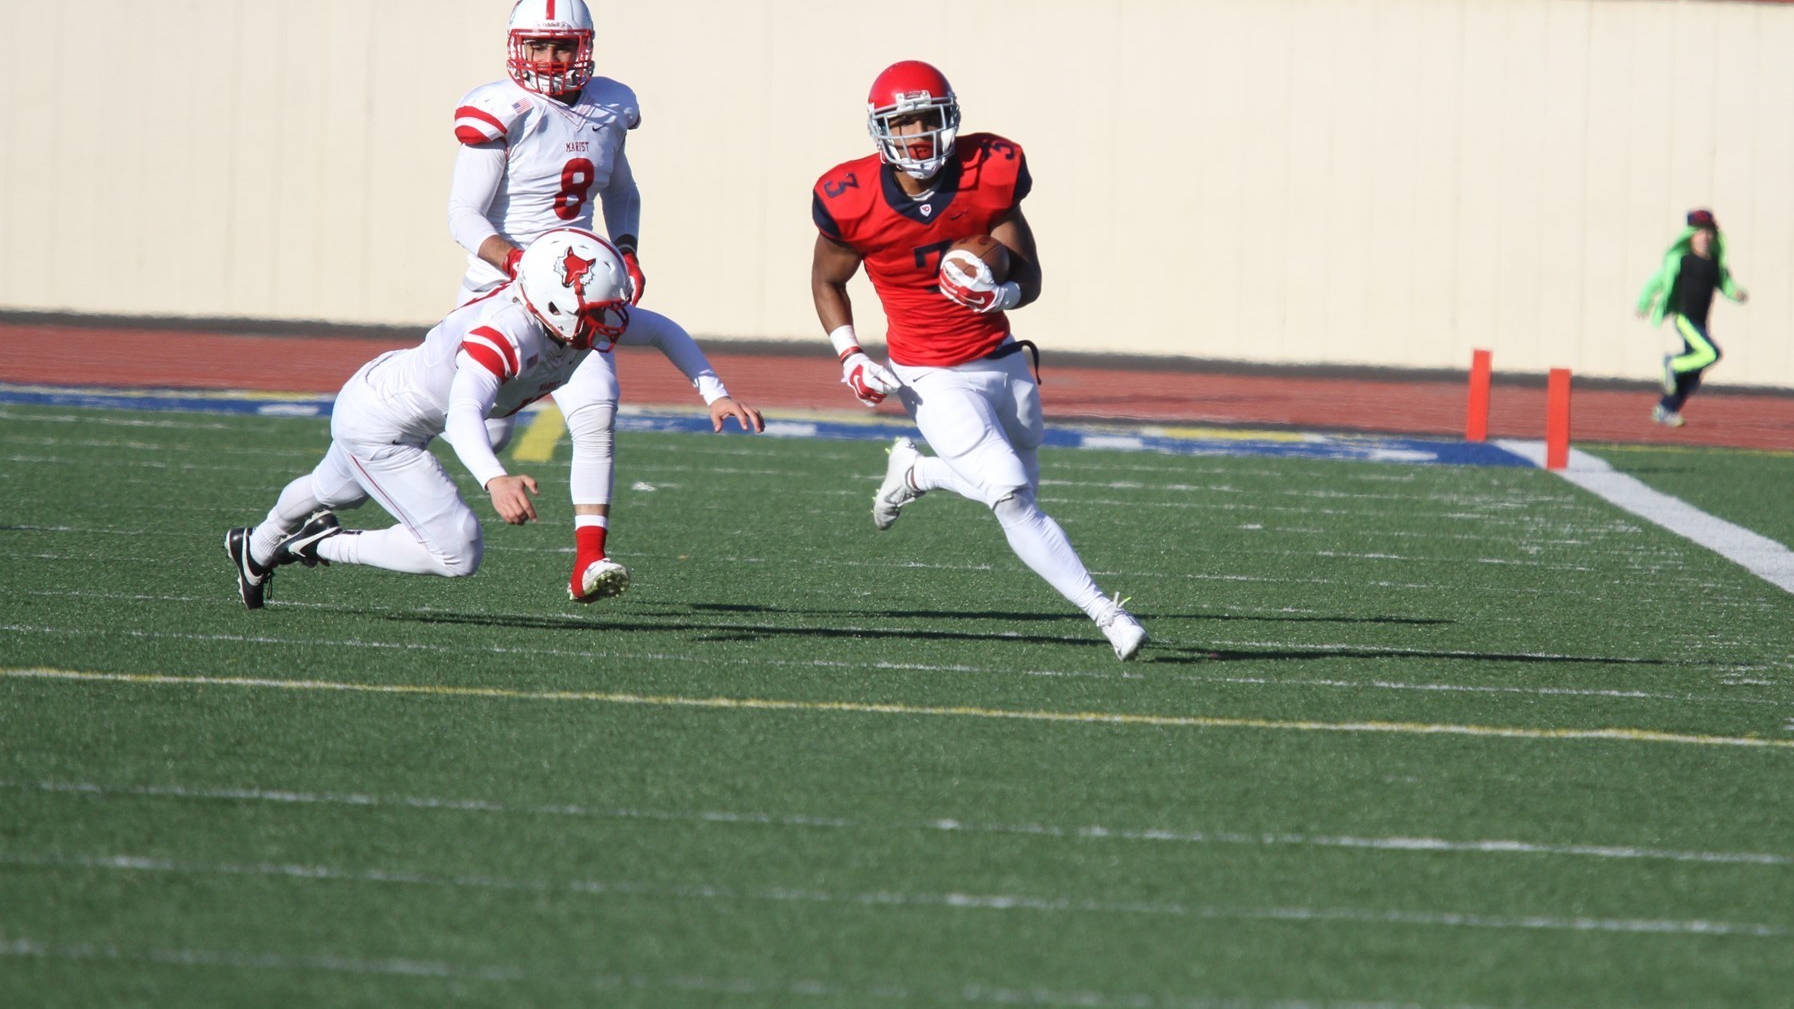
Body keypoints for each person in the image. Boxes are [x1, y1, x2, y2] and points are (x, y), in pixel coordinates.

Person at [223, 228, 762, 610]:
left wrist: (713, 393)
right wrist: (494, 478)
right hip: (381, 425)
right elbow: (462, 415)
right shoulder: (506, 334)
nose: (613, 321)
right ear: (554, 307)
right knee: (457, 550)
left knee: (331, 489)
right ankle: (316, 545)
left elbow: (663, 329)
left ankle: (258, 546)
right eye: (599, 312)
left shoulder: (561, 311)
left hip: (381, 396)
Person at [807, 59, 1147, 660]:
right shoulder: (849, 197)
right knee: (1011, 493)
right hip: (928, 371)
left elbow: (1031, 278)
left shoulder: (990, 170)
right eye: (903, 123)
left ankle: (916, 473)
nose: (916, 135)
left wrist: (1001, 292)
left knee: (1018, 489)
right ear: (881, 130)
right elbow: (828, 280)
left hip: (1000, 358)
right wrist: (850, 355)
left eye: (927, 120)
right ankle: (1107, 614)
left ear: (951, 118)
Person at [446, 0, 651, 603]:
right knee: (478, 423)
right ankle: (372, 480)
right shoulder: (501, 110)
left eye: (564, 48)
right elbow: (463, 215)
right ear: (518, 47)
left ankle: (589, 562)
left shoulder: (610, 107)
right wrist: (516, 262)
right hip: (500, 291)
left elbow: (622, 190)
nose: (552, 60)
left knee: (598, 407)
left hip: (577, 291)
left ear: (584, 49)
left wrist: (628, 248)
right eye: (540, 46)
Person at [1635, 208, 1747, 427]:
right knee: (1711, 353)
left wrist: (1737, 293)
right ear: (1690, 235)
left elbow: (1727, 285)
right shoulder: (1682, 260)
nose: (1705, 237)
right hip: (1685, 319)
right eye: (1700, 232)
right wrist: (1644, 303)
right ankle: (1673, 363)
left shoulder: (1715, 264)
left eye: (1709, 232)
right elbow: (1656, 282)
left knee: (1693, 377)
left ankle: (1666, 409)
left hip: (1701, 322)